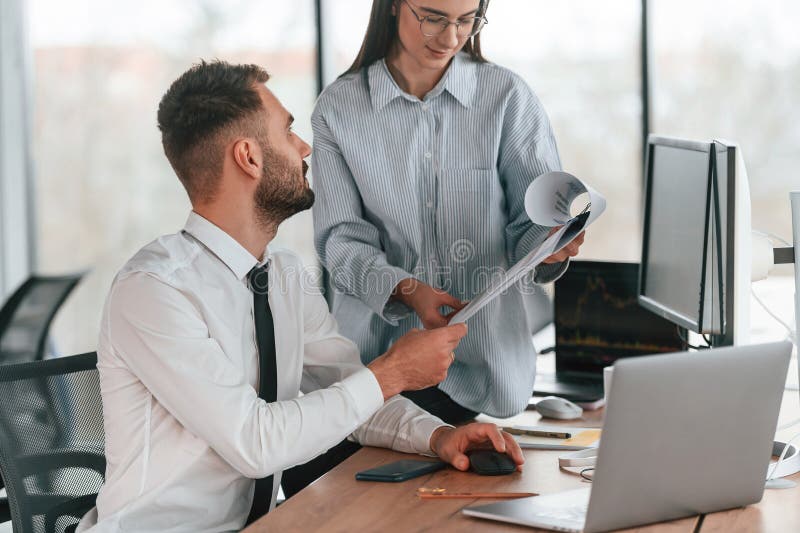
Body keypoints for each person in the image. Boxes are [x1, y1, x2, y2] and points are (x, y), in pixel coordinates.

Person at [77, 60, 523, 532]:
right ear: (248, 157)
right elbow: (255, 442)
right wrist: (392, 372)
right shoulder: (154, 289)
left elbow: (347, 393)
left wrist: (439, 436)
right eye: (288, 131)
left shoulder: (282, 272)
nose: (304, 146)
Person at [312, 0, 585, 424]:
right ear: (391, 7)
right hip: (381, 377)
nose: (451, 38)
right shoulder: (338, 109)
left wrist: (550, 245)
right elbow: (341, 241)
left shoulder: (507, 98)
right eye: (433, 18)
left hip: (489, 382)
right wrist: (406, 289)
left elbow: (532, 223)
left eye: (466, 20)